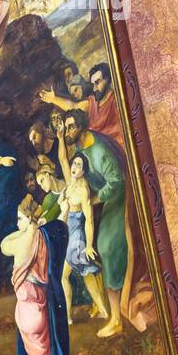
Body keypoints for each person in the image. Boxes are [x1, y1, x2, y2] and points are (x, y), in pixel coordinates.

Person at [0, 197, 102, 355]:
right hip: (41, 309)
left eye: (19, 218)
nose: (16, 223)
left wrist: (28, 228)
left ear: (28, 218)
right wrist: (41, 223)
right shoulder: (46, 237)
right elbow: (61, 229)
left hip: (28, 315)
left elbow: (3, 244)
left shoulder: (22, 244)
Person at [60, 110, 126, 338]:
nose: (67, 131)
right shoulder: (80, 152)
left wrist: (95, 199)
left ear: (82, 127)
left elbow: (117, 181)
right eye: (66, 128)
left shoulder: (98, 151)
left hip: (116, 199)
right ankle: (104, 307)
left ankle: (116, 318)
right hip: (95, 204)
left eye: (70, 127)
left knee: (106, 246)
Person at [57, 152, 108, 325]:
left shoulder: (83, 190)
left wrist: (88, 245)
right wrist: (61, 137)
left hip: (76, 238)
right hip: (68, 234)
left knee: (63, 276)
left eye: (79, 165)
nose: (74, 167)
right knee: (86, 274)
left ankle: (68, 317)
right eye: (74, 163)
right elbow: (62, 158)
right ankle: (102, 309)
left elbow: (89, 220)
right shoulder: (70, 184)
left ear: (84, 170)